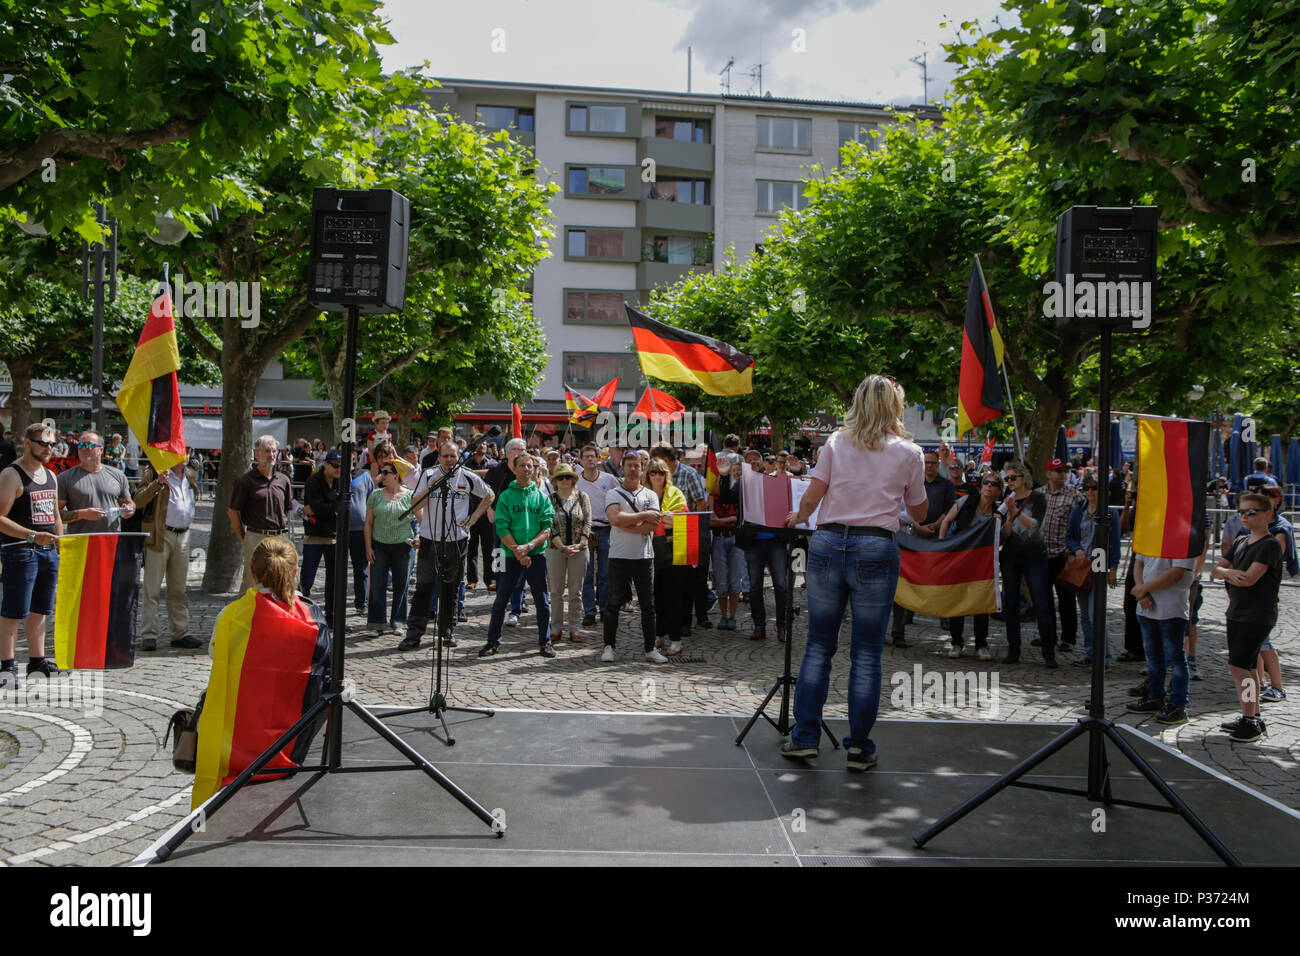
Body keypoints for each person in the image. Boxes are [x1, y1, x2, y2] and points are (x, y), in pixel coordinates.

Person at [781, 374, 928, 770]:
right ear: (895, 406)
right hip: (876, 547)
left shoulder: (835, 442)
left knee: (818, 645)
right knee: (866, 654)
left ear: (858, 403)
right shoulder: (909, 452)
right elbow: (919, 511)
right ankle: (860, 747)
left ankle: (805, 737)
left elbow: (814, 492)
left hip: (829, 542)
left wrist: (800, 516)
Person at [401, 441, 493, 651]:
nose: (449, 460)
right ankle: (414, 634)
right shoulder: (428, 475)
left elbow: (489, 495)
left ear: (458, 456)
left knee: (450, 588)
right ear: (439, 457)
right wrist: (433, 486)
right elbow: (415, 504)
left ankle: (446, 632)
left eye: (453, 456)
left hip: (457, 539)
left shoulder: (468, 475)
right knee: (423, 587)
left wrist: (472, 519)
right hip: (430, 539)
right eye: (445, 456)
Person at [1210, 492, 1283, 742]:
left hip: (1257, 614)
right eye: (1242, 512)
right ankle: (1252, 716)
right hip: (1237, 611)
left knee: (1239, 666)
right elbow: (1217, 569)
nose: (1245, 516)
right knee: (1246, 667)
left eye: (1251, 512)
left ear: (1267, 514)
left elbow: (1249, 579)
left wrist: (1229, 574)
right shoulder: (1241, 541)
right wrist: (1229, 574)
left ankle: (1250, 718)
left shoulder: (1270, 545)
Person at [0, 423, 66, 687]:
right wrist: (30, 535)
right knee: (14, 610)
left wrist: (61, 545)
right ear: (27, 443)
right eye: (42, 443)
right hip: (20, 550)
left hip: (47, 550)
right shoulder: (12, 475)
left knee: (41, 609)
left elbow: (55, 515)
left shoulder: (51, 475)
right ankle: (6, 667)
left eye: (52, 444)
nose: (49, 448)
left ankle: (37, 662)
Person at [480, 454, 555, 658]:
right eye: (521, 466)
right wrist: (517, 550)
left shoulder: (541, 497)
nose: (526, 469)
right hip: (509, 556)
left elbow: (547, 528)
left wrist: (528, 547)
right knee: (500, 601)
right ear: (515, 469)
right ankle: (492, 642)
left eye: (529, 466)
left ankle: (545, 642)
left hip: (536, 555)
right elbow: (501, 526)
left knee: (542, 602)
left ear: (534, 469)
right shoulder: (505, 496)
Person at [937, 471, 1011, 659]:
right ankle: (956, 643)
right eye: (986, 482)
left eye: (993, 484)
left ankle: (981, 644)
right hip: (959, 560)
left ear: (998, 491)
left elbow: (1002, 538)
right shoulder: (967, 501)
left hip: (981, 566)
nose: (988, 486)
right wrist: (942, 546)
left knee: (980, 604)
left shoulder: (998, 512)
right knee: (957, 601)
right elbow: (946, 521)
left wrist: (1006, 520)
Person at [601, 454, 666, 663]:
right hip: (618, 555)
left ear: (642, 468)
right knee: (613, 603)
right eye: (628, 466)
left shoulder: (651, 495)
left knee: (648, 605)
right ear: (622, 468)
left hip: (644, 557)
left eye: (636, 466)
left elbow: (654, 524)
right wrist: (642, 517)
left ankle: (650, 649)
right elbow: (614, 518)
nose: (632, 469)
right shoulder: (613, 492)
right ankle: (609, 647)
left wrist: (626, 522)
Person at [1125, 543, 1196, 726]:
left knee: (1176, 658)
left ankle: (1178, 705)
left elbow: (1177, 572)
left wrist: (1143, 588)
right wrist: (1141, 592)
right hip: (1146, 606)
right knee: (1153, 656)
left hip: (1171, 607)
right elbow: (1138, 563)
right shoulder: (1150, 533)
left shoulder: (1181, 538)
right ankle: (1155, 695)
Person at [133, 459, 201, 651]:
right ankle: (149, 634)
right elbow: (137, 500)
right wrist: (157, 483)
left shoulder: (191, 474)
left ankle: (180, 633)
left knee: (179, 589)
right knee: (152, 587)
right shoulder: (155, 472)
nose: (183, 455)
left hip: (184, 535)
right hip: (161, 534)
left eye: (185, 450)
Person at [891, 447, 955, 644]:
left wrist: (935, 526)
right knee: (908, 580)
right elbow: (905, 509)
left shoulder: (945, 485)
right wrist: (917, 525)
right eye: (925, 463)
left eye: (932, 463)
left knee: (938, 577)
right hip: (912, 535)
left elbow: (949, 509)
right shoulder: (911, 483)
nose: (929, 466)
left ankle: (943, 616)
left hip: (937, 534)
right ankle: (901, 626)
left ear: (938, 465)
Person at [1000, 461, 1058, 668]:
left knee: (1041, 604)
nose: (1010, 482)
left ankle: (1049, 653)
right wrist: (1007, 518)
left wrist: (1015, 512)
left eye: (1013, 478)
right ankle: (1013, 650)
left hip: (1034, 557)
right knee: (1012, 605)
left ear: (1024, 478)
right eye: (1007, 479)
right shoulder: (1007, 500)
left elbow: (1034, 527)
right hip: (1011, 557)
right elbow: (1006, 534)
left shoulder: (1038, 497)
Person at [1063, 476, 1120, 667]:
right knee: (1086, 614)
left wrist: (1113, 569)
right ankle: (1090, 653)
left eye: (1094, 488)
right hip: (1081, 565)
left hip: (1099, 563)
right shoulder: (1078, 510)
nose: (1090, 492)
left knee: (1095, 613)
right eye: (1086, 488)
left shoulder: (1110, 513)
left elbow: (1115, 543)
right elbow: (1069, 536)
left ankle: (1103, 657)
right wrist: (1076, 548)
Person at [229, 435, 294, 593]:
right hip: (256, 537)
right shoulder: (245, 481)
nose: (271, 455)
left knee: (280, 580)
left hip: (280, 538)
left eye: (274, 451)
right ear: (256, 454)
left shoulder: (283, 480)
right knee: (252, 584)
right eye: (267, 451)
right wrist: (245, 538)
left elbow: (286, 509)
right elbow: (232, 512)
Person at [364, 461, 418, 632]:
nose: (382, 475)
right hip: (379, 545)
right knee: (377, 585)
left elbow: (423, 521)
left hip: (402, 546)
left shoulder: (410, 496)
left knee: (401, 585)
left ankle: (399, 621)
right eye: (381, 472)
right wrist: (368, 547)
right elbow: (368, 523)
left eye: (386, 472)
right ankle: (376, 622)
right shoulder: (375, 495)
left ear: (396, 476)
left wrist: (419, 537)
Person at [645, 457, 689, 656]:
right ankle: (659, 633)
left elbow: (683, 518)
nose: (656, 476)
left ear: (666, 475)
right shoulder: (644, 494)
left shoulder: (675, 493)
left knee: (674, 597)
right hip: (650, 551)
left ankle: (676, 639)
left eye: (660, 472)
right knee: (657, 597)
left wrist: (669, 519)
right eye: (653, 472)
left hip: (673, 552)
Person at [486, 438, 532, 624]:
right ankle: (501, 597)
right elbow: (487, 495)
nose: (521, 451)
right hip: (500, 528)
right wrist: (490, 512)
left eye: (524, 449)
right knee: (500, 564)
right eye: (517, 449)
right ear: (508, 452)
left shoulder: (528, 469)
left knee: (520, 565)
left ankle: (517, 604)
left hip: (522, 528)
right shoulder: (497, 471)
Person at [1040, 458, 1084, 651]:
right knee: (1044, 599)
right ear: (1048, 474)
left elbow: (1084, 522)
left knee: (1066, 599)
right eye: (1057, 471)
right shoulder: (1038, 494)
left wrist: (1075, 546)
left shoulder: (1074, 494)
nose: (1061, 474)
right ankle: (1048, 636)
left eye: (1064, 471)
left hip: (1063, 554)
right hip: (1041, 554)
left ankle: (1068, 638)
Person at [57, 431, 135, 535]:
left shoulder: (118, 475)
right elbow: (55, 515)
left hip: (111, 541)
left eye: (89, 445)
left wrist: (129, 509)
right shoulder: (65, 477)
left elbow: (129, 502)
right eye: (81, 445)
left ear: (101, 450)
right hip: (80, 543)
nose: (84, 449)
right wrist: (82, 514)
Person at [547, 464, 590, 646]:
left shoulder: (582, 497)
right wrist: (562, 546)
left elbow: (588, 521)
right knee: (556, 591)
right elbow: (549, 524)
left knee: (576, 592)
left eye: (568, 477)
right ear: (555, 481)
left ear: (573, 479)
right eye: (561, 477)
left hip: (579, 549)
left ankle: (575, 627)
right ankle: (556, 628)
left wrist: (582, 543)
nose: (565, 480)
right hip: (555, 549)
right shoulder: (550, 499)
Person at [347, 442, 393, 612]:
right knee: (337, 569)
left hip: (359, 530)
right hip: (339, 529)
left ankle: (361, 602)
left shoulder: (363, 475)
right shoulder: (335, 475)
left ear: (353, 455)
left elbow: (369, 500)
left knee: (361, 569)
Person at [300, 450, 343, 632]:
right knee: (307, 581)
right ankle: (302, 617)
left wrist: (325, 508)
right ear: (325, 464)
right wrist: (332, 506)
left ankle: (332, 619)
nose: (338, 469)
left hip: (333, 537)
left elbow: (336, 508)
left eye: (341, 466)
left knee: (333, 582)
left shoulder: (342, 481)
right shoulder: (313, 482)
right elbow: (317, 507)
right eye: (335, 465)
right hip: (314, 536)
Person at [577, 444, 618, 626]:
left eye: (593, 456)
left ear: (598, 458)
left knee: (605, 573)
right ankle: (589, 611)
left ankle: (604, 609)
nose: (590, 459)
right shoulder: (576, 481)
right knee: (586, 575)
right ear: (581, 460)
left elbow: (619, 498)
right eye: (586, 456)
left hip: (606, 529)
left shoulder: (609, 480)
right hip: (585, 531)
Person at [711, 460, 744, 630]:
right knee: (721, 581)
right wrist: (730, 520)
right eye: (718, 479)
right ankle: (723, 616)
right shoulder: (712, 497)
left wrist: (725, 521)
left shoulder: (735, 494)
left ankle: (732, 617)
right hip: (718, 540)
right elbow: (712, 522)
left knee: (734, 581)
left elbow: (739, 519)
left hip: (735, 540)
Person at [465, 441, 498, 591]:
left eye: (484, 443)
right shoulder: (465, 463)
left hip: (488, 512)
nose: (482, 445)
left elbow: (494, 478)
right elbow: (465, 476)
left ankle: (490, 579)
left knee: (488, 548)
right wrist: (483, 473)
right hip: (470, 511)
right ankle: (472, 579)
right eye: (479, 443)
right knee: (471, 549)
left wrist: (473, 474)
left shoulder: (493, 463)